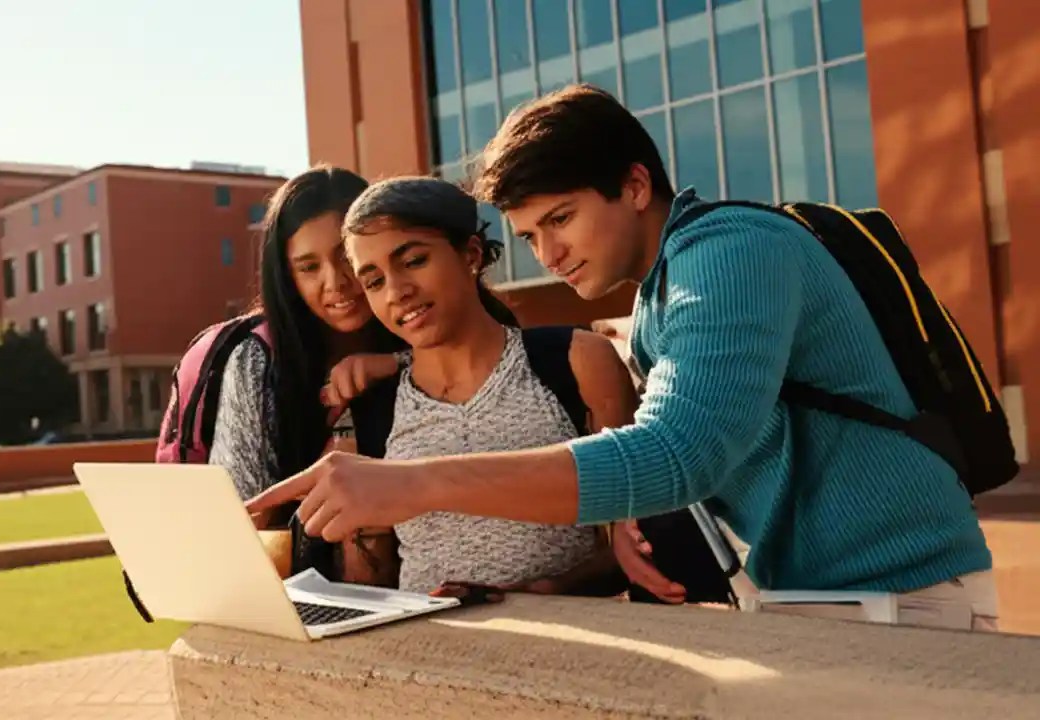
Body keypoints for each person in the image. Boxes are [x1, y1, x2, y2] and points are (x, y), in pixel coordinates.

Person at [248, 85, 999, 630]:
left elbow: (680, 451)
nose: (549, 253)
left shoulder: (730, 253)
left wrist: (416, 484)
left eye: (561, 218)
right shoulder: (656, 300)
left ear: (636, 185)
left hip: (901, 599)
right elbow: (717, 443)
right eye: (531, 234)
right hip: (803, 600)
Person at [339, 176, 632, 595]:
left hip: (567, 631)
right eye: (374, 282)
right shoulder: (372, 408)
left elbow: (640, 535)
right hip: (427, 636)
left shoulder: (577, 361)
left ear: (471, 254)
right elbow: (371, 580)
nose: (396, 292)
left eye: (414, 261)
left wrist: (546, 591)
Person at [207, 165, 405, 584]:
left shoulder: (421, 328)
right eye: (309, 267)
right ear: (287, 277)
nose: (336, 282)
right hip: (299, 594)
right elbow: (241, 514)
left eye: (345, 256)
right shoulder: (258, 362)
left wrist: (399, 364)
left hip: (425, 590)